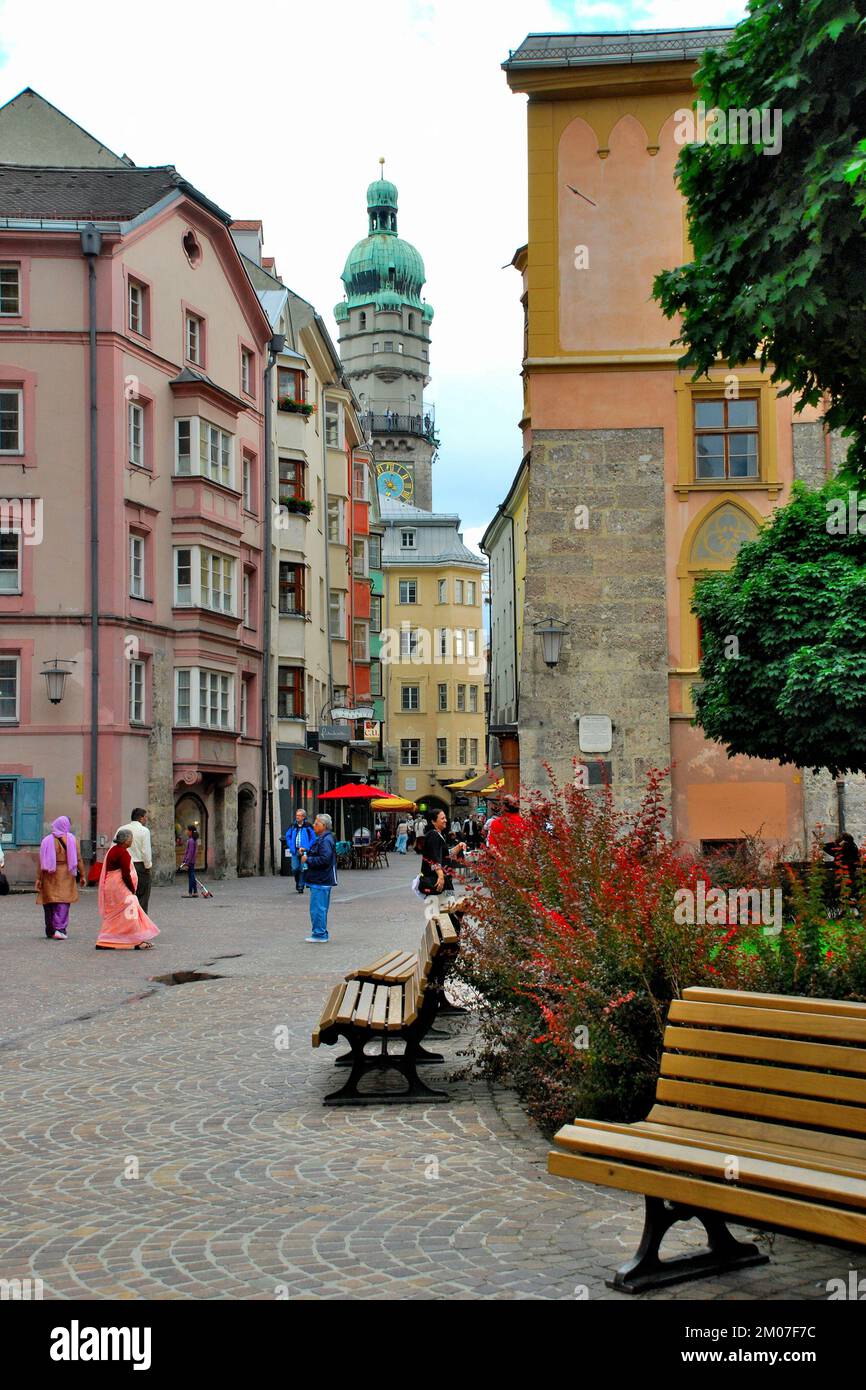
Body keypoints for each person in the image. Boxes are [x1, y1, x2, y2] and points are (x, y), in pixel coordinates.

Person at [95, 829, 159, 950]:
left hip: (110, 884)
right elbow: (125, 874)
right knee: (131, 911)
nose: (132, 840)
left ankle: (106, 938)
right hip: (119, 886)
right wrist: (131, 889)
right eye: (130, 838)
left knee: (113, 913)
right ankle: (136, 939)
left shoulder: (112, 850)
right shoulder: (123, 853)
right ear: (125, 840)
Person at [36, 815, 86, 940]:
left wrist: (38, 878)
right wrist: (83, 875)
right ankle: (60, 929)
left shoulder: (46, 840)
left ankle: (50, 929)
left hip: (49, 873)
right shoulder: (72, 840)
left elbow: (41, 861)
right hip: (66, 873)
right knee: (63, 902)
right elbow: (78, 859)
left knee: (49, 901)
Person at [418, 809, 465, 916]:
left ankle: (444, 929)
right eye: (442, 818)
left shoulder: (437, 835)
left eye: (445, 818)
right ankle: (446, 930)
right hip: (437, 882)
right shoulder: (433, 835)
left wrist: (459, 846)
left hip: (444, 882)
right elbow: (433, 857)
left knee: (445, 910)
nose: (445, 821)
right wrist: (440, 876)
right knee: (445, 911)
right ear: (434, 822)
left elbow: (445, 854)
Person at [301, 813, 337, 942]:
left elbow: (325, 859)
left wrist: (308, 859)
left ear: (324, 826)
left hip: (321, 879)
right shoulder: (323, 838)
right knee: (319, 908)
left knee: (318, 909)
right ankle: (320, 932)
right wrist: (307, 851)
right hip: (320, 879)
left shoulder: (325, 840)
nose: (314, 826)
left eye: (317, 824)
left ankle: (319, 934)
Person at [114, 808, 153, 913]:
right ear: (141, 818)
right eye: (145, 817)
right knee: (142, 895)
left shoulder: (121, 829)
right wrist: (148, 866)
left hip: (123, 865)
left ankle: (126, 918)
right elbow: (146, 852)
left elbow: (113, 848)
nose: (146, 819)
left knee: (126, 894)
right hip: (139, 866)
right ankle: (140, 918)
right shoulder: (144, 831)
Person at [287, 808, 316, 894]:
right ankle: (298, 881)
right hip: (295, 851)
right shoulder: (293, 826)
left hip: (304, 851)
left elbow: (313, 838)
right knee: (295, 868)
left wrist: (307, 847)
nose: (297, 817)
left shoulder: (308, 826)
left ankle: (300, 885)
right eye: (296, 815)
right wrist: (291, 846)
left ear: (303, 817)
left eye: (299, 815)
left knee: (303, 869)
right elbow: (288, 836)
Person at [181, 825, 199, 897]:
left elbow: (190, 852)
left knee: (191, 877)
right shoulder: (194, 840)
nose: (186, 832)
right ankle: (195, 892)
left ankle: (190, 892)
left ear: (190, 831)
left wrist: (186, 862)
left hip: (190, 861)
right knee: (192, 876)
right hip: (192, 861)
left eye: (187, 830)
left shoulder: (191, 841)